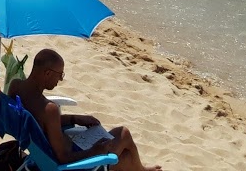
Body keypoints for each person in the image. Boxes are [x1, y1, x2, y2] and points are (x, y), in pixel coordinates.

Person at [11, 48, 161, 171]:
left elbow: (39, 121)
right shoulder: (50, 110)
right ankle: (142, 170)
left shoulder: (15, 86)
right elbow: (62, 158)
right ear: (48, 73)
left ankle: (141, 169)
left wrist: (74, 119)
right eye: (60, 74)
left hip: (42, 154)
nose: (61, 80)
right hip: (72, 159)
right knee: (124, 134)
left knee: (125, 158)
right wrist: (95, 150)